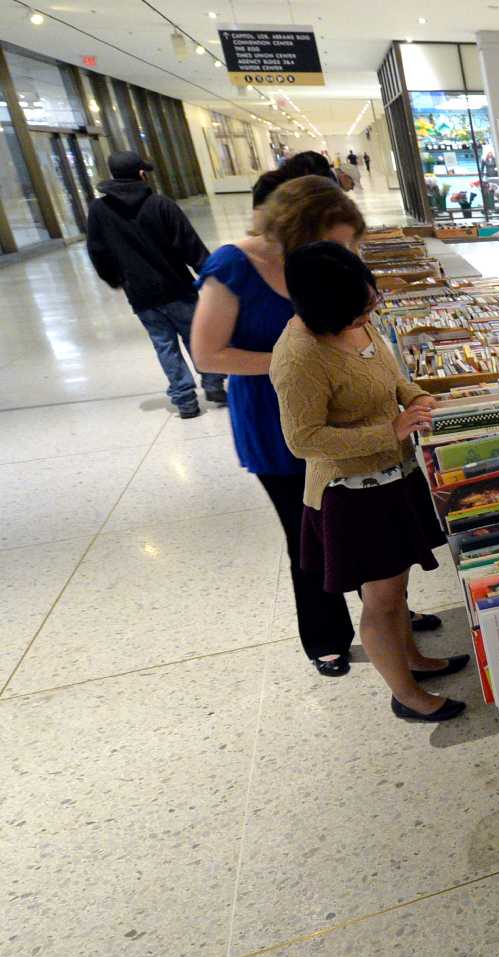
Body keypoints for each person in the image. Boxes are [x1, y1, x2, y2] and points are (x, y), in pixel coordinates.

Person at [271, 242, 468, 723]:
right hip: (350, 494)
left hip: (394, 477)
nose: (370, 316)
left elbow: (392, 377)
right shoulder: (299, 357)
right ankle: (406, 694)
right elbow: (303, 440)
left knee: (397, 586)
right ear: (324, 309)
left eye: (369, 306)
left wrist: (419, 398)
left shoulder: (355, 321)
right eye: (360, 312)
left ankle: (415, 660)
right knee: (380, 599)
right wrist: (392, 430)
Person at [194, 176, 368, 679]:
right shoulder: (233, 267)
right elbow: (208, 353)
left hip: (341, 411)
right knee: (308, 533)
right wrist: (295, 363)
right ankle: (325, 635)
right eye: (335, 244)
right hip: (276, 421)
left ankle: (386, 611)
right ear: (301, 230)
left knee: (362, 517)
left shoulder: (315, 263)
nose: (344, 256)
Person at [84, 150, 225, 419]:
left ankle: (185, 401)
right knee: (195, 337)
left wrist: (116, 279)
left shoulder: (100, 210)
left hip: (140, 294)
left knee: (164, 345)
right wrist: (209, 274)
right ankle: (213, 384)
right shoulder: (161, 204)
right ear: (140, 173)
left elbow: (97, 250)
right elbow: (189, 244)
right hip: (178, 287)